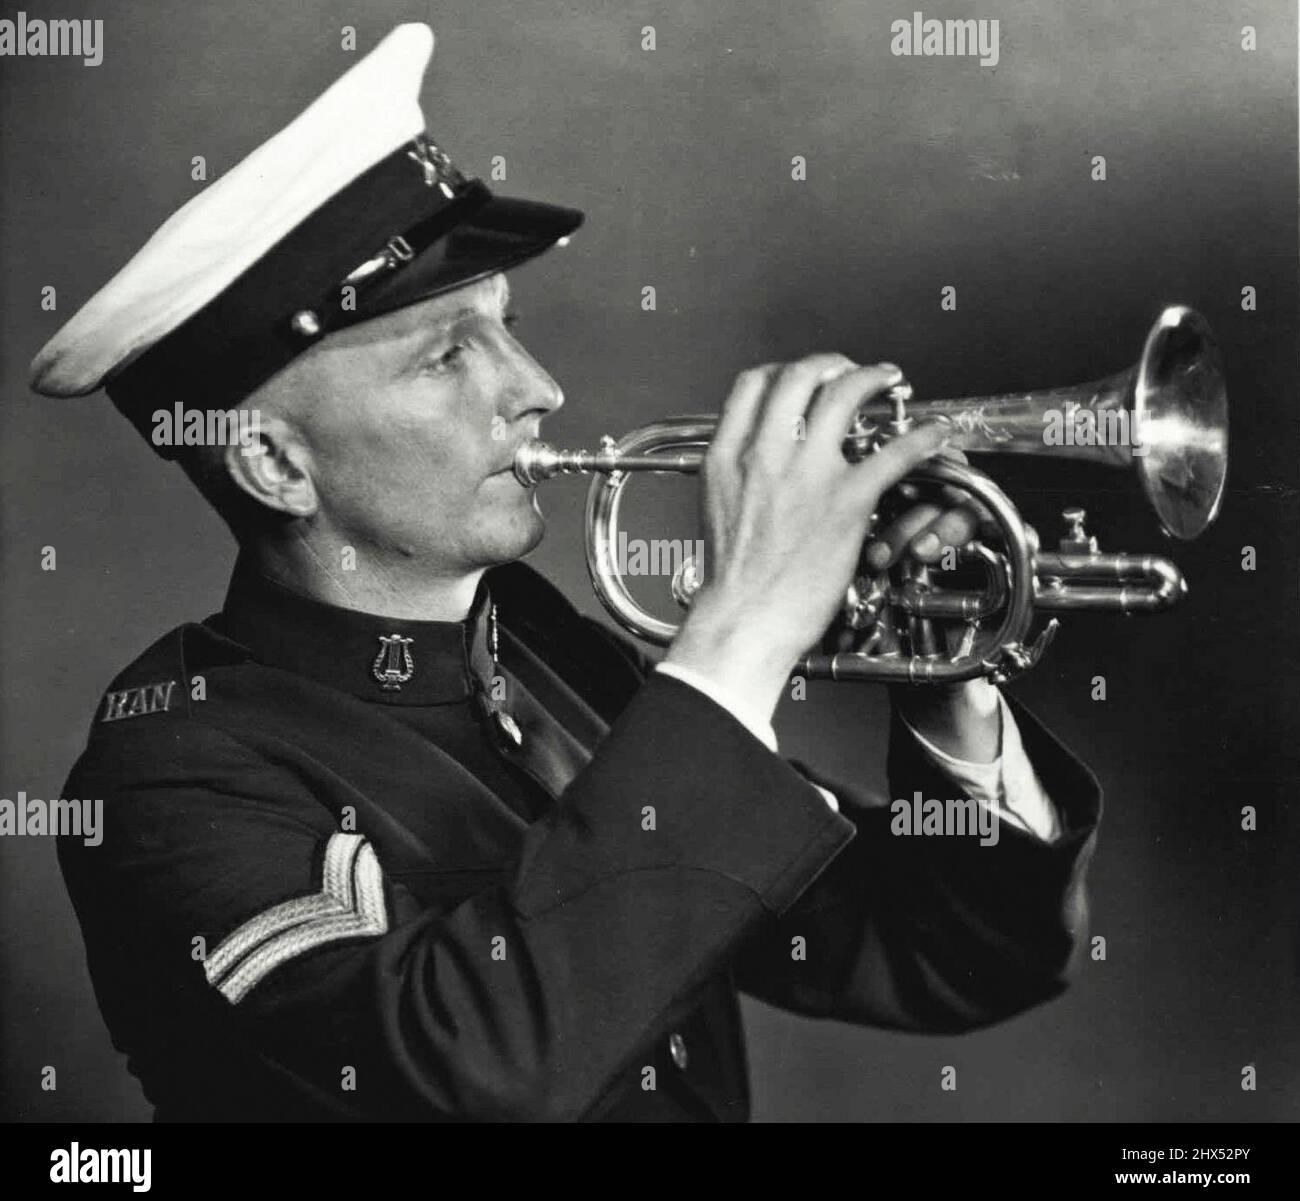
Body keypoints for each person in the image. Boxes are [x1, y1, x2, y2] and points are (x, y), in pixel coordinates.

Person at [31, 24, 1100, 1122]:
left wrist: (938, 680)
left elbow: (938, 958)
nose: (536, 389)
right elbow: (461, 1076)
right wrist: (740, 640)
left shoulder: (527, 647)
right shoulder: (168, 772)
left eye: (509, 331)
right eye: (448, 354)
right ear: (273, 461)